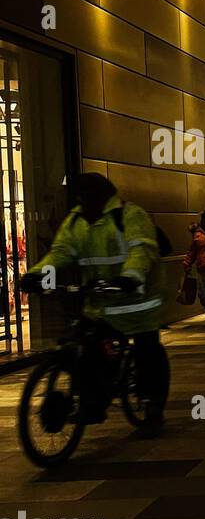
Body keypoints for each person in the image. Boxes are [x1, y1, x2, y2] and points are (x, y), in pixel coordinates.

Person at [20, 172, 169, 435]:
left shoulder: (129, 216)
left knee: (147, 348)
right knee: (86, 345)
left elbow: (141, 249)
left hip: (138, 301)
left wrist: (130, 276)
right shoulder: (76, 221)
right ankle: (93, 402)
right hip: (100, 301)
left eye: (85, 196)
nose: (81, 201)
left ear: (103, 196)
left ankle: (154, 405)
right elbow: (61, 252)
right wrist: (38, 273)